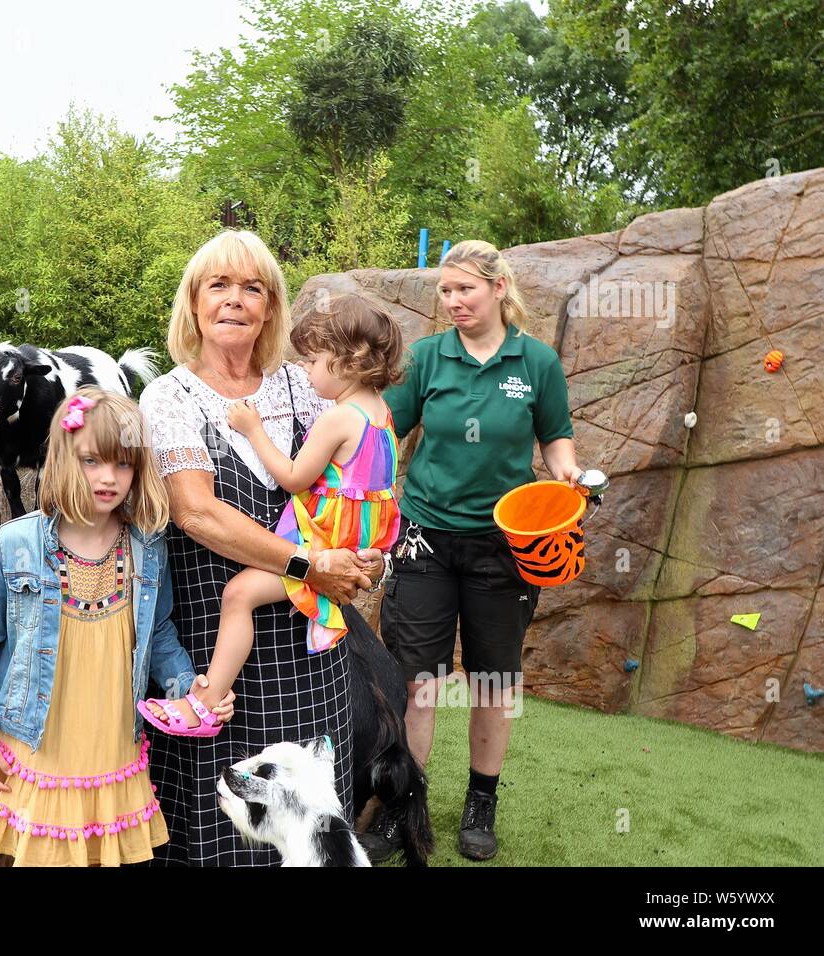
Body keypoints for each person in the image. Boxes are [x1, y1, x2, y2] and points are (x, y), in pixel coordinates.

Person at [138, 230, 383, 865]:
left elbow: (360, 477)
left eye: (253, 288)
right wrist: (310, 565)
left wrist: (366, 557)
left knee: (309, 817)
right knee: (217, 814)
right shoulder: (170, 396)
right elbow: (196, 512)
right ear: (193, 304)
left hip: (310, 647)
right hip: (212, 638)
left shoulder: (305, 385)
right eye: (217, 285)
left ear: (271, 307)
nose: (235, 300)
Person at [0, 387, 235, 866]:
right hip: (40, 737)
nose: (108, 478)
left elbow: (159, 630)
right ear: (64, 459)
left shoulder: (147, 544)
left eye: (123, 464)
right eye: (91, 462)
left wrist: (192, 689)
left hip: (110, 738)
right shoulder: (14, 542)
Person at [369, 239, 580, 863]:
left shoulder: (537, 362)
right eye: (446, 290)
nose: (454, 300)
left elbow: (557, 440)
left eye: (465, 288)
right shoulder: (428, 358)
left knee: (492, 681)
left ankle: (480, 805)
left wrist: (570, 477)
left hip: (504, 548)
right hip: (424, 536)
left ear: (497, 288)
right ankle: (401, 809)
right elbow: (382, 427)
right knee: (419, 684)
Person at [138, 292, 404, 736]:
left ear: (346, 362)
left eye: (315, 361)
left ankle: (205, 701)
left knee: (239, 595)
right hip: (355, 543)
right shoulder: (382, 417)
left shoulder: (338, 417)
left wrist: (254, 430)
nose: (307, 370)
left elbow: (295, 477)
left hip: (322, 545)